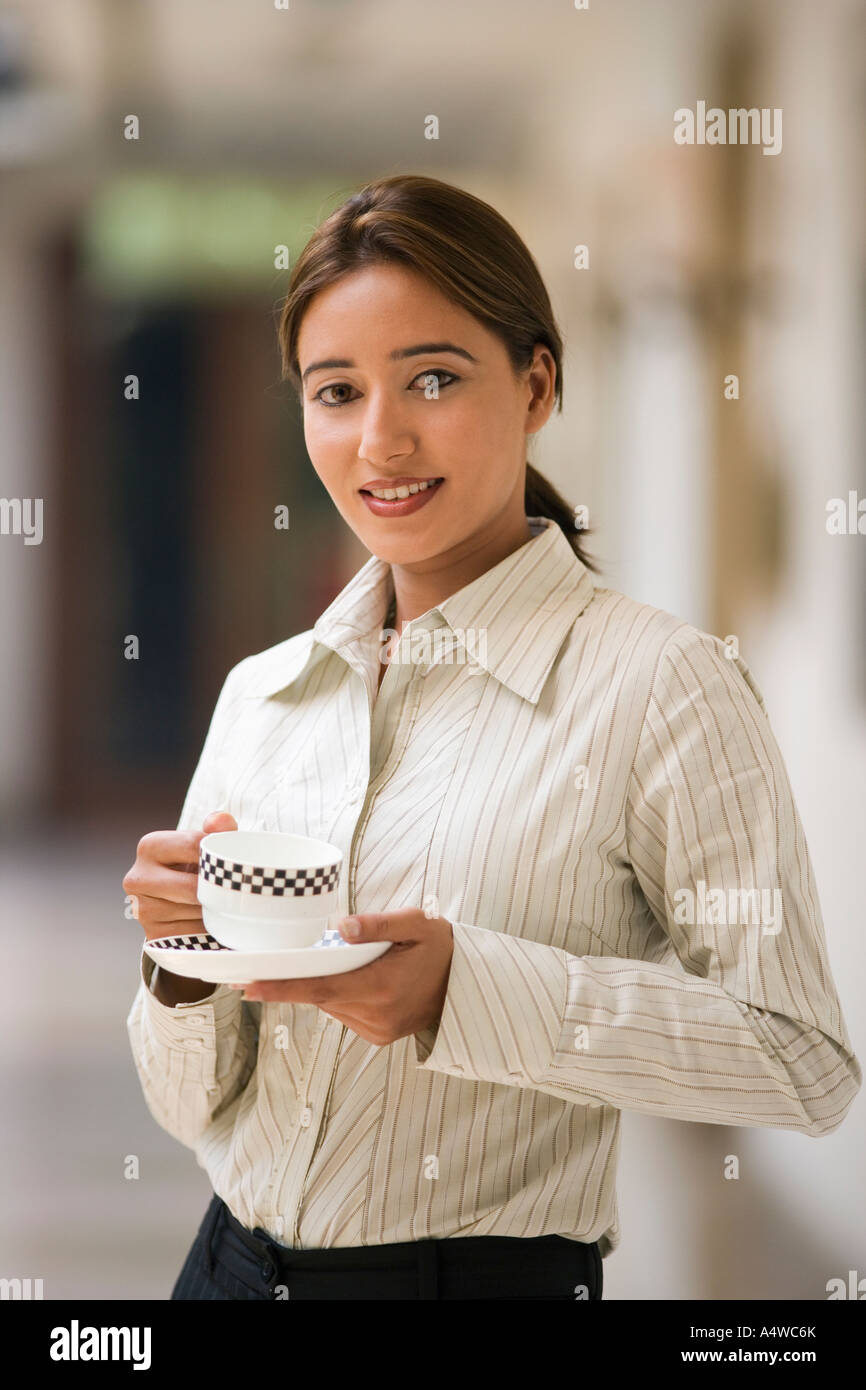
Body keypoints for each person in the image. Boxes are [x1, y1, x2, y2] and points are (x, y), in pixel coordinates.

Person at [124, 173, 861, 1301]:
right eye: (335, 391)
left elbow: (800, 1057)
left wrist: (465, 991)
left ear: (536, 385)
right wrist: (179, 968)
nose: (381, 440)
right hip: (220, 1272)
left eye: (431, 377)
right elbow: (192, 1107)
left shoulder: (660, 684)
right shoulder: (263, 694)